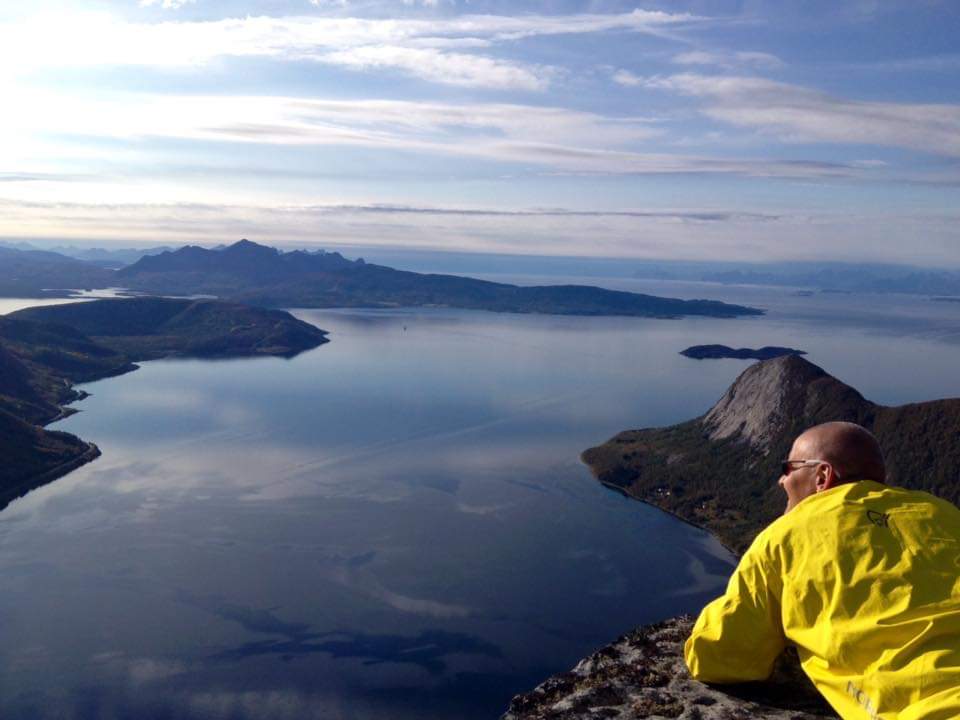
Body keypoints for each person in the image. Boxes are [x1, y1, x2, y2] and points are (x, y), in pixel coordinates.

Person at [684, 421, 960, 720]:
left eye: (788, 468)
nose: (781, 481)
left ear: (822, 476)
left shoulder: (786, 535)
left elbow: (721, 655)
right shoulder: (943, 512)